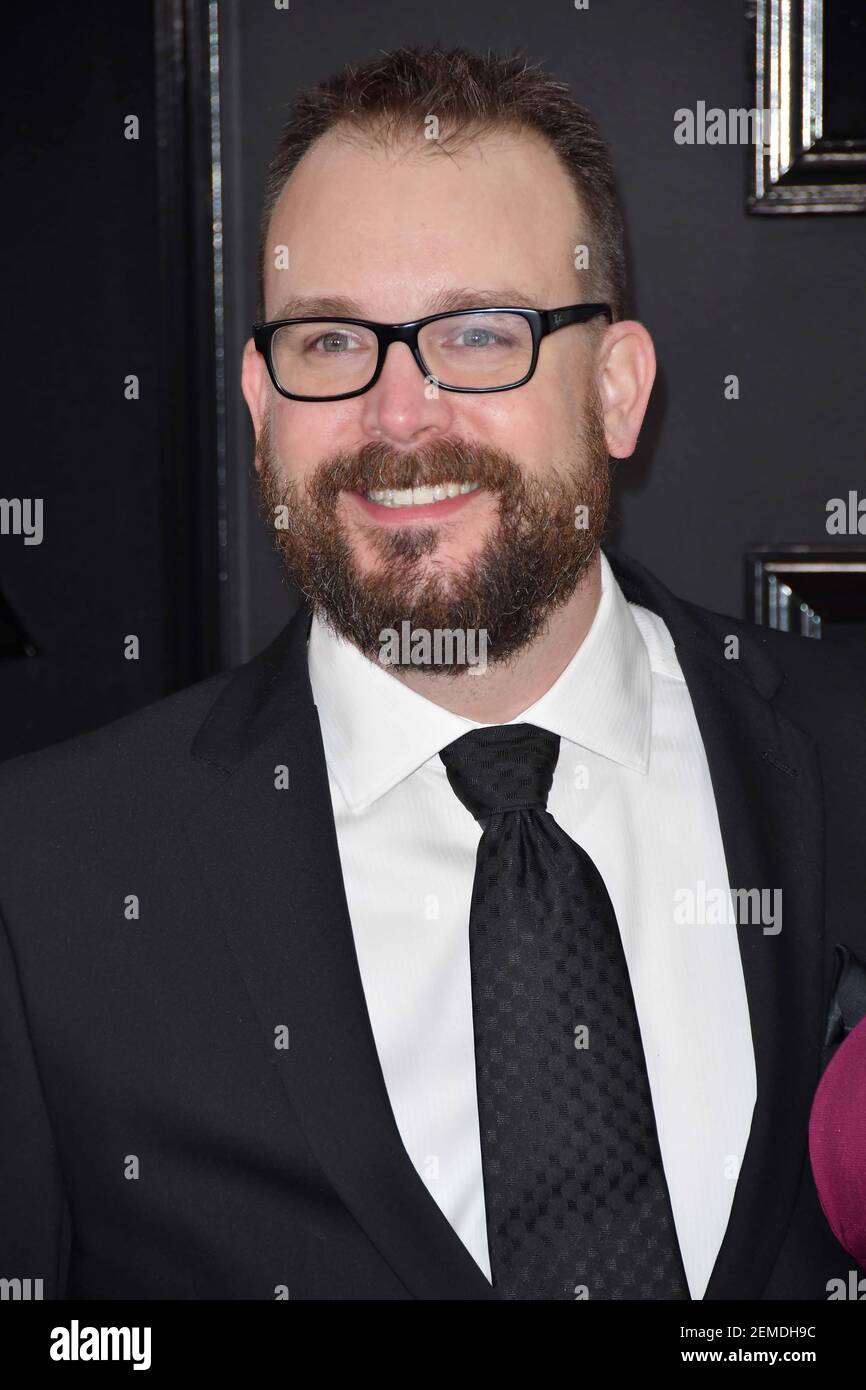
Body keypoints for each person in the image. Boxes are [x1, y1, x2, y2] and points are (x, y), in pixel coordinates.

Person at [1, 44, 863, 1302]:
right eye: (330, 340)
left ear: (617, 390)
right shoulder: (46, 878)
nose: (398, 417)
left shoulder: (846, 747)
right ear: (259, 400)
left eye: (477, 332)